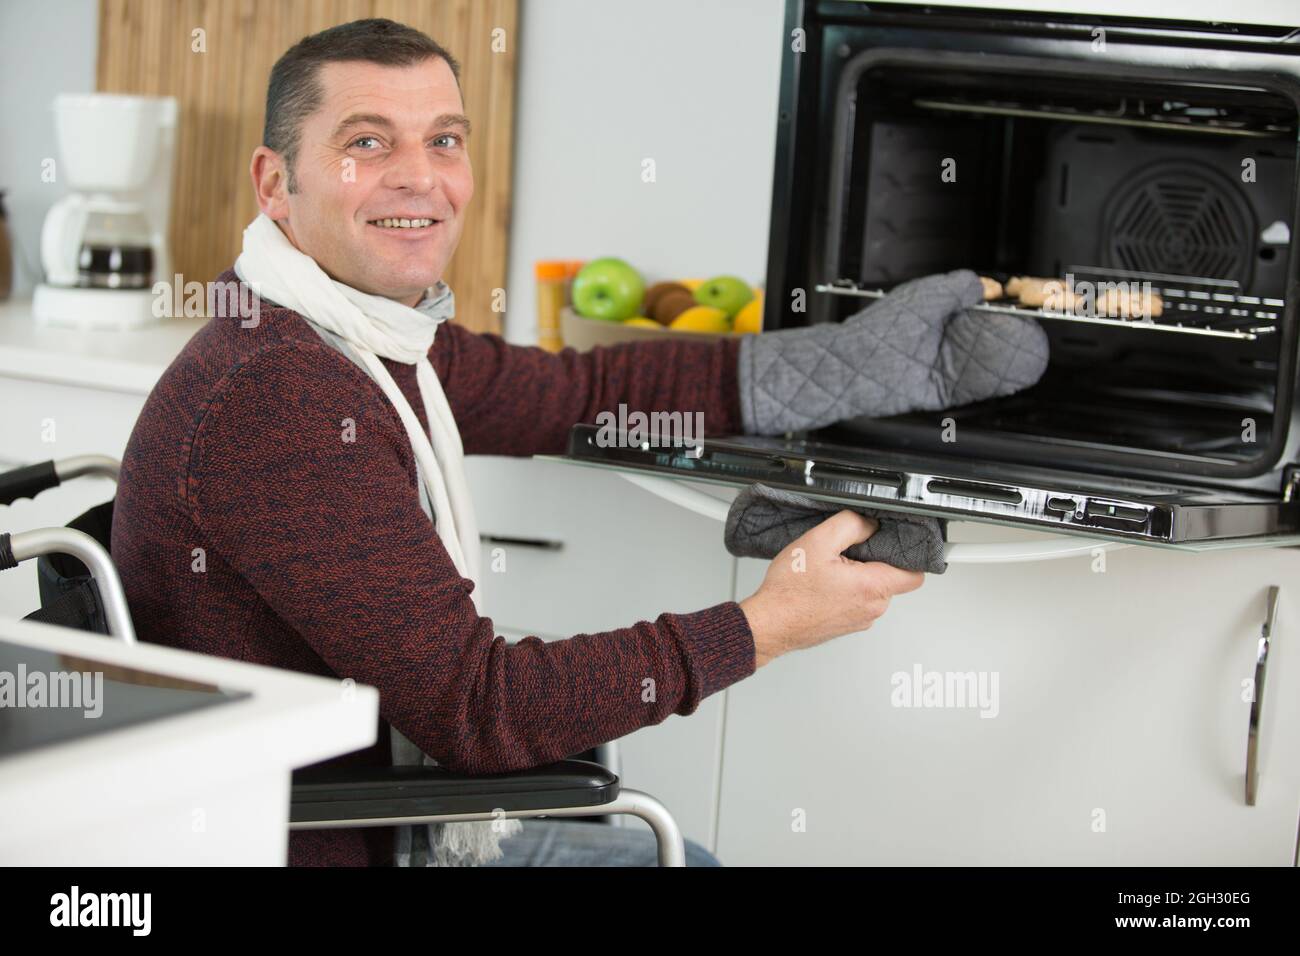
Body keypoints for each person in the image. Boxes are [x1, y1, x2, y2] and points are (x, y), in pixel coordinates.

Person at [111, 18, 1045, 867]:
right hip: (324, 846)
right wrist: (765, 626)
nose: (419, 177)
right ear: (277, 184)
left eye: (444, 141)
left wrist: (856, 362)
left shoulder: (359, 333)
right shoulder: (281, 394)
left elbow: (579, 392)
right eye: (366, 144)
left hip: (379, 811)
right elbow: (482, 710)